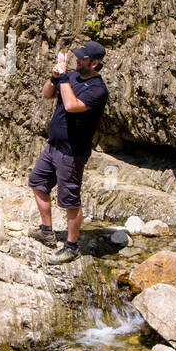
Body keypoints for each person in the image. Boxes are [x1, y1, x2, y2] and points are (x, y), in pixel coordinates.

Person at [28, 41, 109, 264]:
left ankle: (72, 247)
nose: (77, 60)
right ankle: (47, 231)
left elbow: (73, 106)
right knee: (37, 182)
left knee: (70, 200)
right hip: (53, 145)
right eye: (77, 56)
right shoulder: (71, 77)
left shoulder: (98, 89)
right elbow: (47, 94)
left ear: (94, 63)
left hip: (72, 153)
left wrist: (63, 77)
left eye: (82, 58)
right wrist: (54, 77)